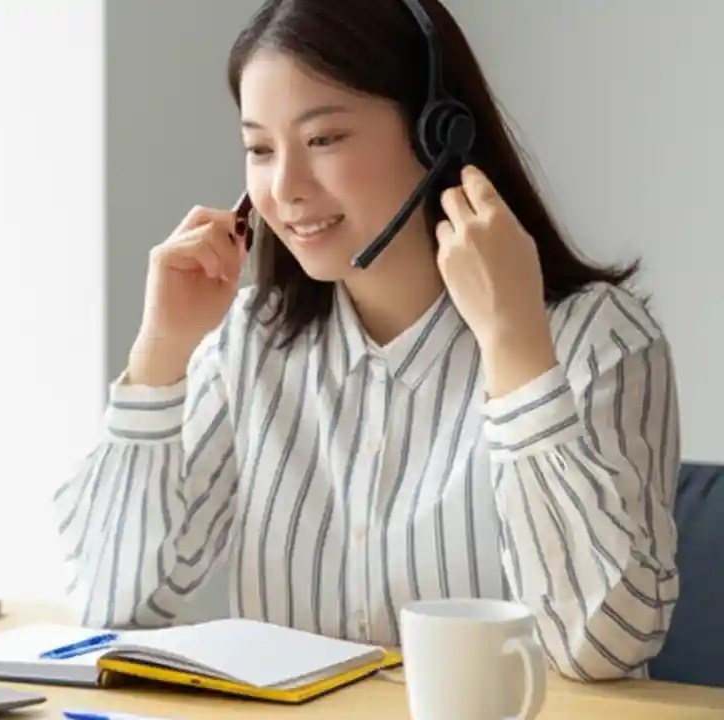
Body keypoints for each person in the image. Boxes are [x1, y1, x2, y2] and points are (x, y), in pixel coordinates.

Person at [52, 0, 680, 682]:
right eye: (260, 149)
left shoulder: (599, 341)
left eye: (323, 140)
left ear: (439, 134)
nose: (284, 188)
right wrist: (159, 355)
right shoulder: (251, 345)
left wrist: (515, 348)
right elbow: (112, 608)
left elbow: (605, 646)